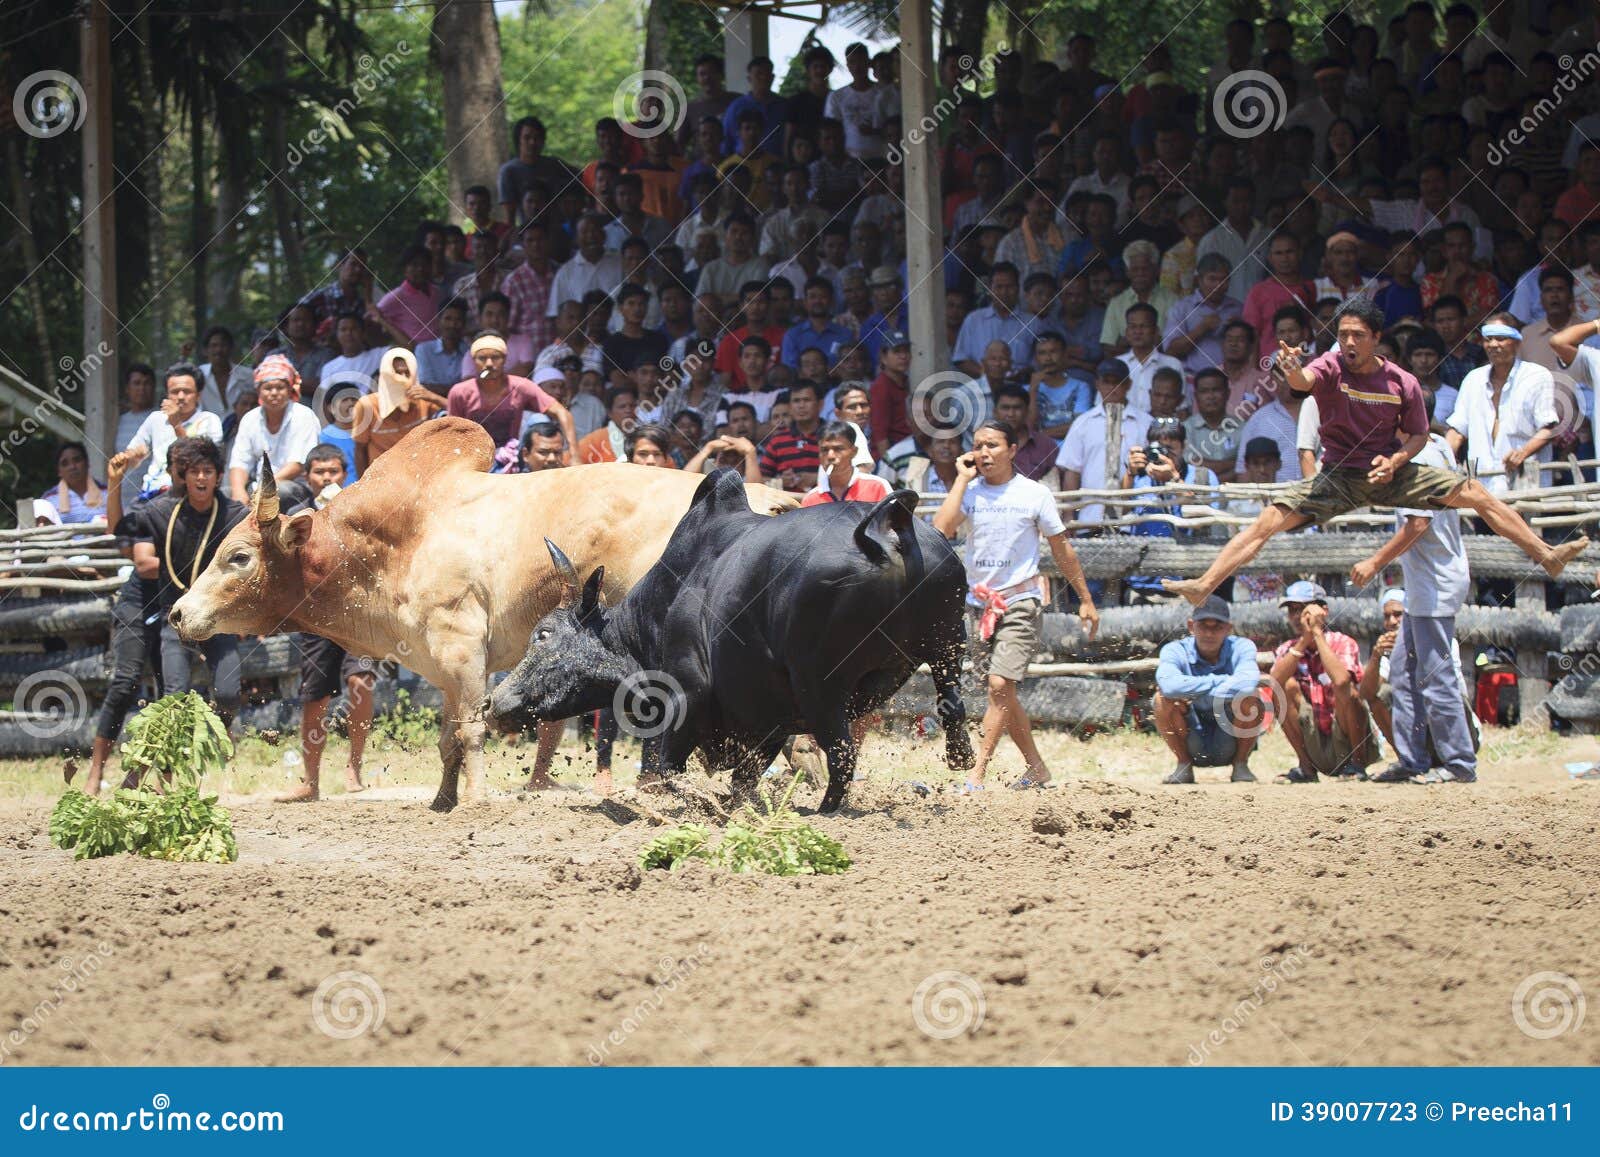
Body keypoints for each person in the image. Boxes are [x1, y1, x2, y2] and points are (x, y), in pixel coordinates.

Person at [1164, 298, 1588, 606]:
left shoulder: (1402, 382)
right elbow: (1302, 383)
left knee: (1475, 492)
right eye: (1343, 334)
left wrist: (1396, 460)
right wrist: (1291, 367)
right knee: (1266, 522)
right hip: (1338, 476)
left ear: (1376, 339)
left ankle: (1546, 555)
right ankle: (1204, 584)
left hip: (1390, 472)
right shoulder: (1330, 366)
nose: (1348, 342)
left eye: (1358, 335)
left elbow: (1419, 436)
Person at [932, 419, 1099, 791]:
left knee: (998, 684)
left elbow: (1062, 548)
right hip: (979, 606)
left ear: (1012, 450)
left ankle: (977, 774)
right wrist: (961, 479)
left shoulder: (1034, 494)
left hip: (1021, 601)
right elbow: (941, 530)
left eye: (992, 445)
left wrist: (1086, 599)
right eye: (978, 445)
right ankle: (1037, 768)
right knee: (1002, 693)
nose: (984, 452)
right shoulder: (971, 493)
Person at [1350, 428, 1480, 784]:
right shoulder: (1437, 446)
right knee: (1404, 672)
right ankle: (1413, 759)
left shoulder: (1420, 458)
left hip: (1434, 583)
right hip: (1425, 584)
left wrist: (1375, 562)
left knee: (1436, 676)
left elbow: (1418, 523)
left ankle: (1458, 762)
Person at [135, 438, 249, 772]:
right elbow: (141, 562)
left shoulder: (235, 515)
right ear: (183, 477)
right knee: (174, 697)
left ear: (218, 476)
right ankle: (169, 768)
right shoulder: (158, 512)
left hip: (217, 618)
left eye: (208, 471)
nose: (201, 478)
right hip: (176, 618)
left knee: (228, 693)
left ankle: (219, 735)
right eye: (194, 471)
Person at [278, 446, 376, 802]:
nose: (326, 478)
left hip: (357, 615)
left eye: (333, 471)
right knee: (315, 696)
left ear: (344, 474)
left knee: (361, 681)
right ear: (308, 477)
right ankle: (311, 781)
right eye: (319, 472)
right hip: (315, 617)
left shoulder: (358, 511)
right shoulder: (295, 518)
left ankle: (354, 766)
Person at [1269, 580, 1377, 783]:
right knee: (1284, 687)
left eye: (1303, 609)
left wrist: (1317, 633)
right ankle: (1306, 768)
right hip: (1315, 741)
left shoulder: (1343, 642)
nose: (1297, 616)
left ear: (1323, 611)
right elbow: (1274, 685)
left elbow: (1342, 682)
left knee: (1346, 691)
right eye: (1292, 610)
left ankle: (1357, 764)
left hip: (1346, 737)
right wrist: (1304, 641)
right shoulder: (1288, 649)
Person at [1444, 317, 1559, 496]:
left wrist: (1523, 452)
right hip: (1482, 483)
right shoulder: (1473, 380)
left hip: (1525, 482)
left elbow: (1549, 428)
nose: (1493, 344)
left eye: (1500, 338)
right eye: (1488, 339)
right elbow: (1458, 430)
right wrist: (1444, 459)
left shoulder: (1537, 376)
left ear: (1517, 342)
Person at [1152, 595, 1261, 784]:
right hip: (1191, 729)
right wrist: (1222, 682)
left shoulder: (1242, 647)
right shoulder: (1174, 649)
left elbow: (1248, 684)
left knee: (1251, 697)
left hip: (1229, 731)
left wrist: (1192, 691)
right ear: (1191, 626)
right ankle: (1183, 764)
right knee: (1161, 700)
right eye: (1203, 626)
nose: (1209, 634)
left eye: (1217, 627)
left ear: (1228, 628)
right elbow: (1169, 686)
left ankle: (1241, 764)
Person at [111, 363, 226, 498]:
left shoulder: (210, 420)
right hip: (154, 493)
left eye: (187, 391)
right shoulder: (155, 418)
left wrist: (177, 425)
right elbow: (133, 458)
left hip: (190, 495)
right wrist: (131, 456)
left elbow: (202, 462)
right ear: (167, 395)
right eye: (175, 392)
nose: (181, 397)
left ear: (198, 395)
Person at [447, 334, 577, 451]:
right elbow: (451, 435)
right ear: (473, 361)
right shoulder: (459, 392)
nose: (489, 364)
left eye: (495, 357)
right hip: (472, 458)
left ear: (505, 359)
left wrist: (574, 454)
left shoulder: (521, 386)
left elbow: (562, 412)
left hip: (509, 460)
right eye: (482, 358)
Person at [226, 356, 323, 502]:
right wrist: (238, 492)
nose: (274, 393)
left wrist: (264, 488)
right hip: (259, 487)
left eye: (280, 387)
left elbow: (298, 464)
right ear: (259, 391)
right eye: (268, 388)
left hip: (295, 486)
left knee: (282, 490)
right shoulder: (250, 418)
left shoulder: (303, 415)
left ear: (290, 389)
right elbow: (240, 462)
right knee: (225, 494)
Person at [351, 348, 447, 475]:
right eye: (397, 373)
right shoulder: (367, 406)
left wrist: (434, 398)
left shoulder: (424, 399)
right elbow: (360, 450)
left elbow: (459, 416)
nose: (403, 379)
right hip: (383, 479)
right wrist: (363, 483)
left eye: (407, 373)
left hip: (421, 476)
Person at [802, 421, 892, 506]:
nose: (830, 456)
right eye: (824, 450)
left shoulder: (877, 487)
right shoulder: (810, 500)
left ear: (854, 451)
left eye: (838, 449)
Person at [39, 441, 106, 524]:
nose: (72, 467)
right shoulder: (49, 499)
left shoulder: (108, 492)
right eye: (65, 463)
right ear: (59, 471)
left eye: (77, 460)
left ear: (87, 463)